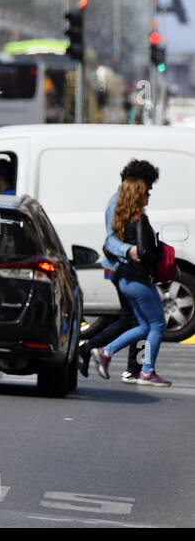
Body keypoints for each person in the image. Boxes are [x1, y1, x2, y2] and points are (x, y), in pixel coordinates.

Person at [79, 160, 154, 381]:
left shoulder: (127, 199)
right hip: (123, 269)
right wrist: (130, 251)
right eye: (147, 187)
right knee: (138, 321)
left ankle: (96, 351)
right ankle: (131, 366)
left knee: (132, 320)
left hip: (126, 269)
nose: (149, 193)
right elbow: (111, 240)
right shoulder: (119, 202)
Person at [97, 177, 170, 386]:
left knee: (144, 325)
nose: (149, 195)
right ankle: (147, 371)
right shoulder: (139, 219)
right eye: (146, 192)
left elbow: (112, 242)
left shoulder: (121, 220)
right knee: (158, 324)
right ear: (138, 195)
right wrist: (159, 255)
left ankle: (106, 352)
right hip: (139, 279)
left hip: (124, 279)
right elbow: (146, 252)